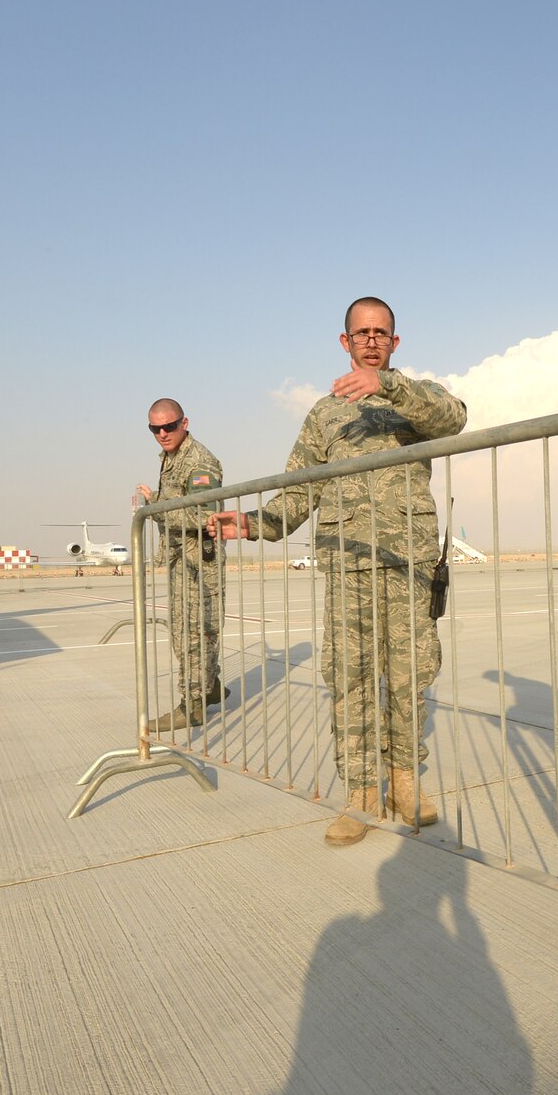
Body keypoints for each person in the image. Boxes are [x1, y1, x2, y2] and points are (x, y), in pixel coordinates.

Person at [214, 298, 467, 847]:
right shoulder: (324, 415)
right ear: (344, 342)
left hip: (407, 566)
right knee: (349, 679)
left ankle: (404, 782)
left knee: (409, 677)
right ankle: (360, 794)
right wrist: (254, 524)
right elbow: (300, 490)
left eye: (381, 333)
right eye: (361, 333)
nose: (371, 340)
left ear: (394, 343)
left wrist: (390, 388)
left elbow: (456, 418)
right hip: (347, 565)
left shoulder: (417, 399)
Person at [136, 398, 226, 733]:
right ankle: (210, 686)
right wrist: (157, 502)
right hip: (181, 559)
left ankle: (193, 706)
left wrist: (156, 508)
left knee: (193, 633)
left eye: (169, 426)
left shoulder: (199, 460)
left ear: (184, 423)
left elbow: (204, 512)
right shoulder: (171, 458)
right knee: (182, 631)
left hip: (199, 560)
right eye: (154, 428)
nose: (162, 433)